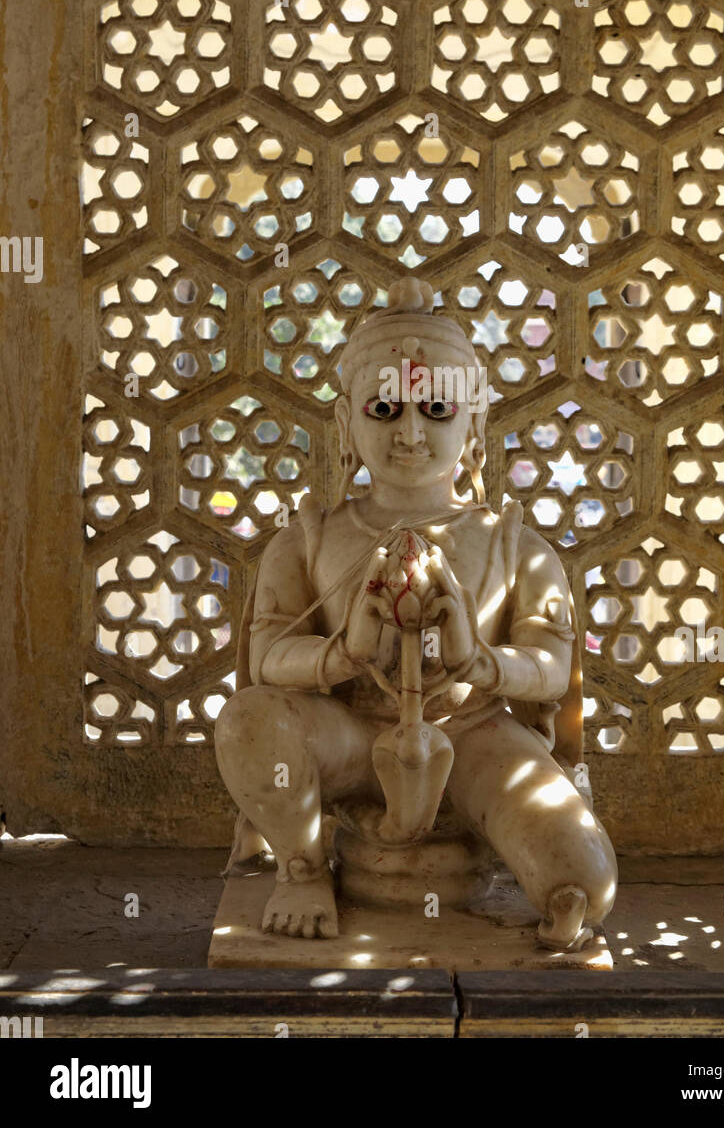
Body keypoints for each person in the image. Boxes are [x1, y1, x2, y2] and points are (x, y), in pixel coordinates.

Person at [215, 277, 617, 946]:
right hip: (345, 733)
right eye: (384, 411)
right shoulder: (310, 538)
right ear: (346, 422)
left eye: (435, 410)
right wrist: (340, 654)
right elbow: (267, 659)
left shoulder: (512, 543)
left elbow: (551, 668)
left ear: (475, 422)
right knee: (249, 722)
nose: (409, 434)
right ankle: (303, 865)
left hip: (474, 737)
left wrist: (477, 660)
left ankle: (547, 874)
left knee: (584, 878)